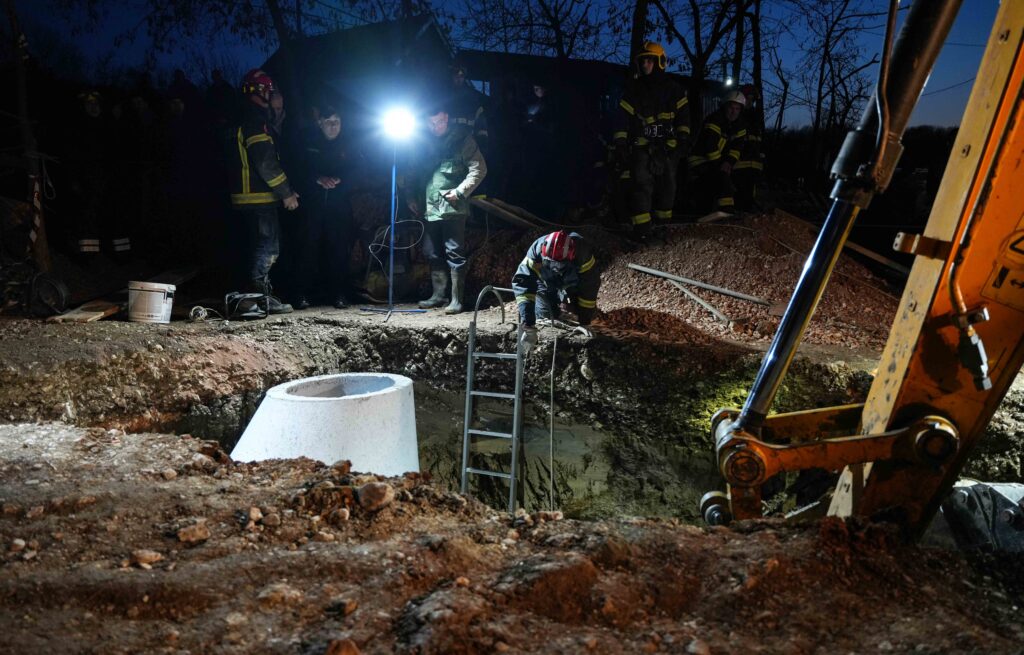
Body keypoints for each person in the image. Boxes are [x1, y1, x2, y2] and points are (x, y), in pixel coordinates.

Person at [227, 69, 300, 315]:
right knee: (268, 248)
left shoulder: (244, 117)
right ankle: (254, 299)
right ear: (260, 92)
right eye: (271, 91)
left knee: (259, 247)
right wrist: (286, 193)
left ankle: (257, 299)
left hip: (248, 197)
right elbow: (266, 163)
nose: (274, 96)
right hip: (257, 197)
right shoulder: (255, 121)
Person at [407, 106, 487, 314]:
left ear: (447, 118)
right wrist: (410, 197)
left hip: (452, 207)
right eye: (431, 123)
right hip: (429, 207)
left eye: (440, 122)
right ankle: (438, 295)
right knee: (431, 252)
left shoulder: (462, 140)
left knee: (454, 252)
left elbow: (479, 169)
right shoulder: (423, 142)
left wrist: (460, 192)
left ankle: (456, 300)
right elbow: (413, 171)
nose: (436, 127)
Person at [614, 41, 691, 238]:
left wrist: (682, 142)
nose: (645, 65)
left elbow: (684, 119)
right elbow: (622, 120)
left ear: (660, 62)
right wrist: (621, 144)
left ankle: (662, 225)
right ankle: (642, 230)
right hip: (642, 147)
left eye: (649, 60)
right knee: (641, 185)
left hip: (668, 148)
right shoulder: (633, 90)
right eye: (643, 61)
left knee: (668, 186)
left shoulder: (675, 90)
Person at [293, 104, 358, 309]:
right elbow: (297, 168)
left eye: (336, 122)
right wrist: (317, 179)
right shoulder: (306, 141)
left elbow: (359, 172)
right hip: (312, 205)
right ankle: (301, 294)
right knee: (307, 249)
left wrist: (341, 180)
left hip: (339, 206)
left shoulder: (349, 144)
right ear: (319, 122)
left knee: (338, 249)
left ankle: (339, 294)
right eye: (328, 122)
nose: (333, 126)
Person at [511, 230, 600, 353]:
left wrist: (584, 322)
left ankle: (571, 305)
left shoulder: (582, 254)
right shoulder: (536, 251)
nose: (555, 267)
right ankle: (552, 306)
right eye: (550, 262)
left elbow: (589, 286)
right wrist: (528, 325)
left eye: (559, 264)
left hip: (572, 284)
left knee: (585, 313)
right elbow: (523, 284)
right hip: (546, 284)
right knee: (546, 316)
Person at [66, 90, 113, 258]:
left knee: (103, 212)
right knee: (87, 214)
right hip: (86, 177)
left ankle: (105, 251)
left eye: (95, 104)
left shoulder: (106, 124)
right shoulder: (79, 127)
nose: (92, 107)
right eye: (89, 104)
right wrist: (75, 179)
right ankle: (88, 254)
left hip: (105, 177)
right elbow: (73, 155)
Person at [687, 89, 748, 214]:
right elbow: (710, 146)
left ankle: (731, 210)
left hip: (718, 161)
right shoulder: (715, 119)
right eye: (731, 108)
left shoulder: (740, 126)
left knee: (732, 178)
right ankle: (726, 211)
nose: (733, 112)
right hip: (699, 159)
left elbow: (737, 149)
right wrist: (722, 164)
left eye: (737, 109)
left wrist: (729, 163)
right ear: (725, 106)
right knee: (720, 178)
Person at [733, 84, 765, 212]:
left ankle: (746, 216)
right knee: (736, 191)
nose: (750, 102)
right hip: (738, 162)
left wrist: (761, 158)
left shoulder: (756, 117)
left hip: (753, 163)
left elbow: (759, 140)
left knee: (749, 194)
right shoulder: (736, 114)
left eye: (752, 99)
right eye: (748, 98)